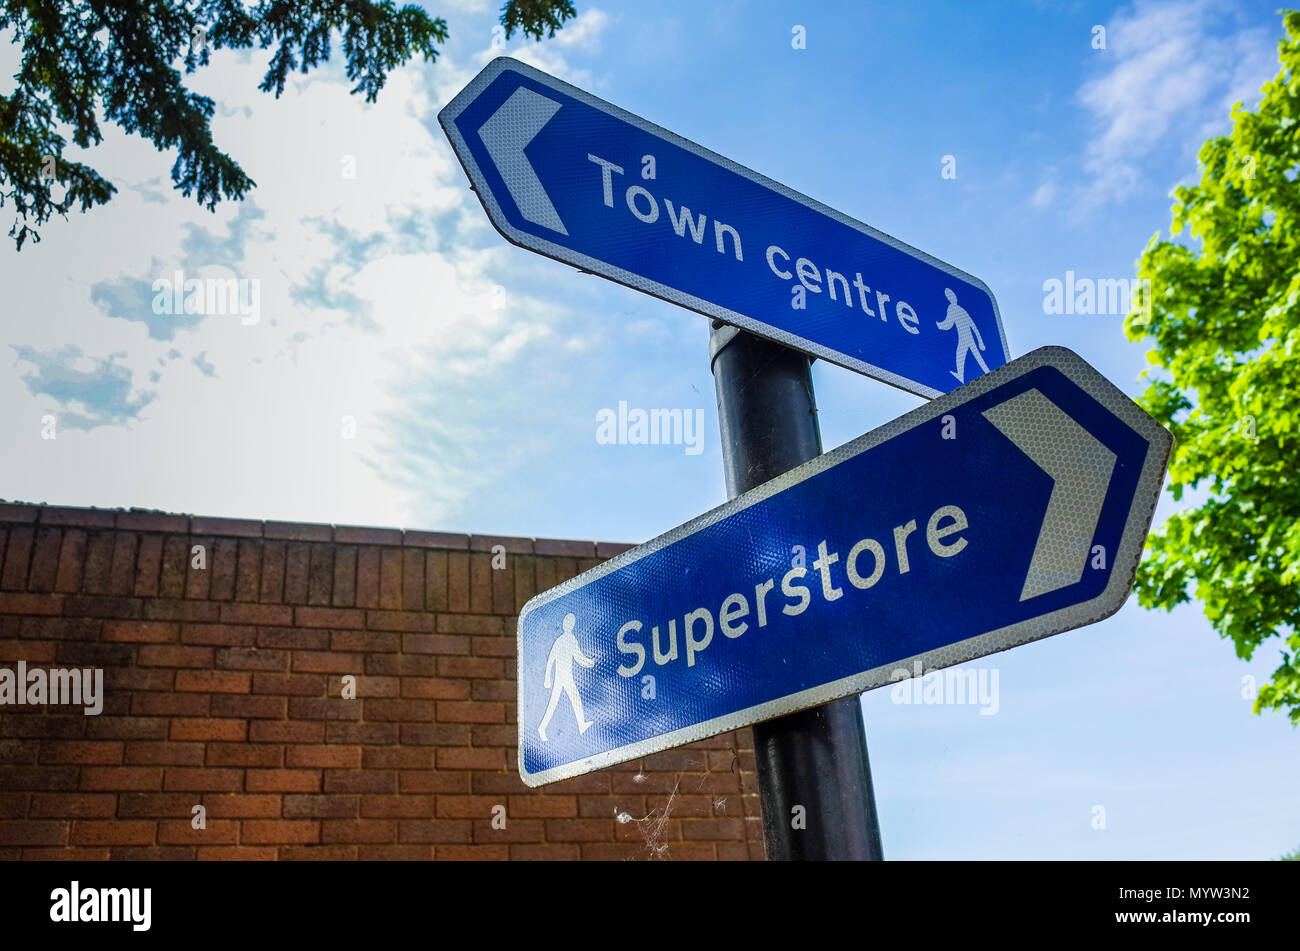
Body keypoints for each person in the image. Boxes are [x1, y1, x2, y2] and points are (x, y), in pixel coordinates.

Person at [538, 613, 597, 742]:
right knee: (555, 703)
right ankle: (542, 728)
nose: (568, 624)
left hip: (566, 676)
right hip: (562, 676)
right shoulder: (564, 640)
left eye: (570, 623)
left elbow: (578, 657)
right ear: (565, 624)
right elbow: (551, 659)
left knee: (572, 699)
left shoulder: (568, 639)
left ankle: (581, 725)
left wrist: (589, 662)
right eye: (567, 622)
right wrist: (547, 678)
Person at [936, 288, 990, 384]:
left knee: (969, 354)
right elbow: (952, 323)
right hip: (965, 337)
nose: (952, 297)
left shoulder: (954, 308)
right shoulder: (957, 308)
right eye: (950, 296)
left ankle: (987, 373)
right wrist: (980, 341)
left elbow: (951, 324)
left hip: (965, 337)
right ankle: (964, 374)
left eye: (952, 295)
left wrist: (938, 325)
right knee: (969, 355)